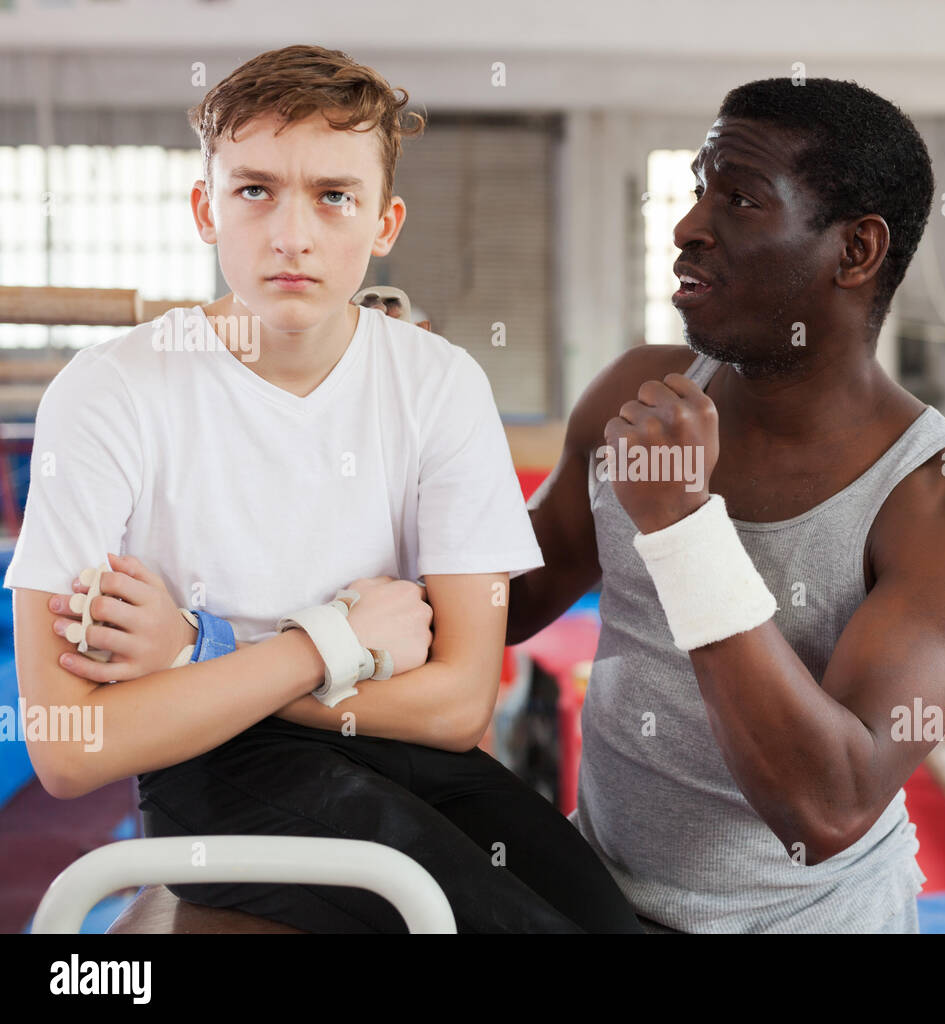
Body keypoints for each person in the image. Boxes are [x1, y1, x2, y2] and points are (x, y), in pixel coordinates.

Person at [7, 44, 642, 934]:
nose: (293, 235)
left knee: (608, 924)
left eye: (334, 197)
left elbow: (458, 706)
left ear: (385, 223)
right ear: (205, 209)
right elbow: (71, 747)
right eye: (256, 190)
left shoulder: (437, 382)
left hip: (400, 750)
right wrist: (330, 641)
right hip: (213, 764)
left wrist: (198, 654)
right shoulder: (111, 390)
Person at [506, 78, 945, 932]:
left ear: (855, 252)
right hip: (599, 896)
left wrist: (683, 531)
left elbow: (828, 807)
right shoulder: (639, 391)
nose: (687, 230)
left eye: (739, 200)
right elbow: (511, 602)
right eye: (697, 192)